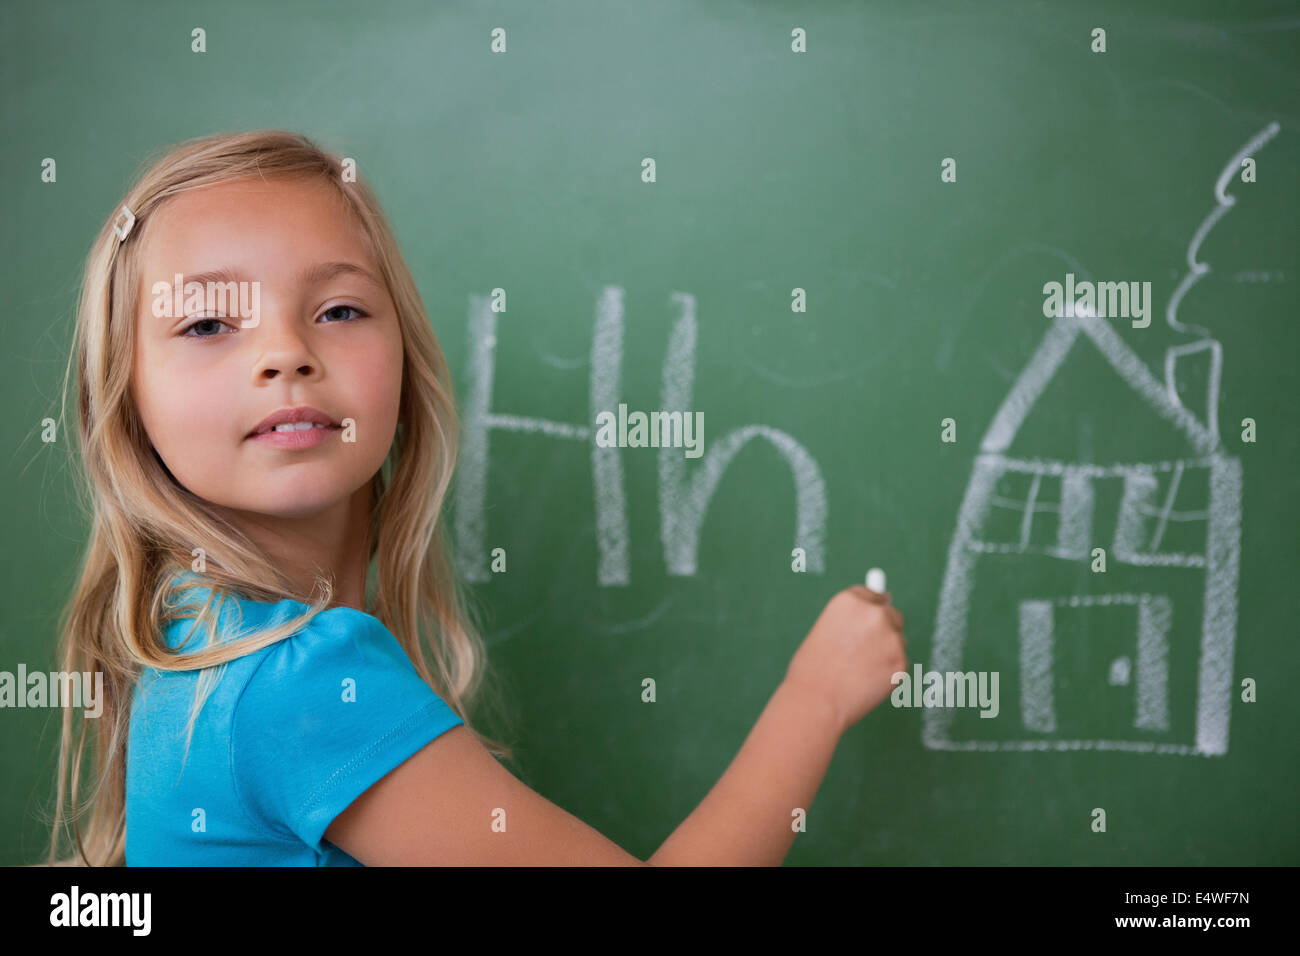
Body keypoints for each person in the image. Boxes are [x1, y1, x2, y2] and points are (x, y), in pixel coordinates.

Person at [45, 130, 906, 866]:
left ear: (406, 365)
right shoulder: (293, 678)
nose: (285, 352)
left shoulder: (191, 633)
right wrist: (817, 695)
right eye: (206, 324)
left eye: (339, 309)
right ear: (128, 404)